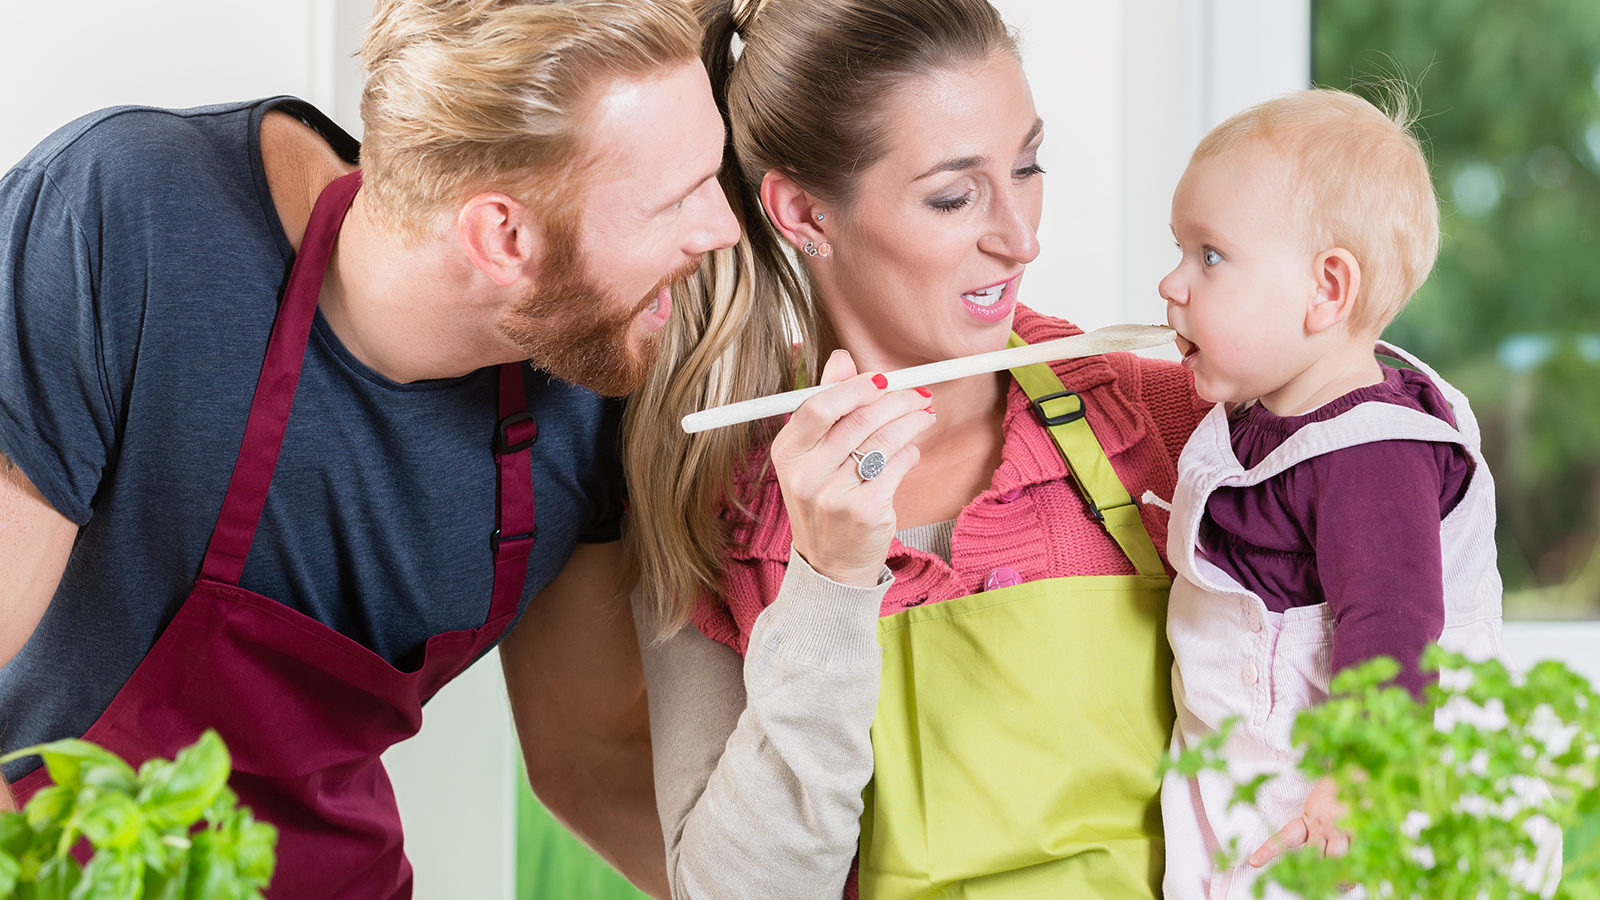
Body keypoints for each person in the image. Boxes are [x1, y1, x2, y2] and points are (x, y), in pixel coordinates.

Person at [0, 0, 739, 896]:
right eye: (675, 200)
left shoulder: (596, 370)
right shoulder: (131, 221)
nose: (720, 231)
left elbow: (593, 758)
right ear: (502, 236)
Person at [620, 0, 1211, 896]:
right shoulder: (711, 496)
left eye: (1028, 166)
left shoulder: (1162, 424)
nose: (1022, 238)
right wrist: (828, 581)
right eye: (954, 193)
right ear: (803, 210)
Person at [1153, 89, 1543, 899]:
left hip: (1340, 808)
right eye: (1178, 249)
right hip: (1249, 785)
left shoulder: (1374, 451)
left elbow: (1394, 624)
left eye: (1211, 256)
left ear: (1326, 290)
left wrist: (1362, 777)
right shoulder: (1258, 420)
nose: (1172, 282)